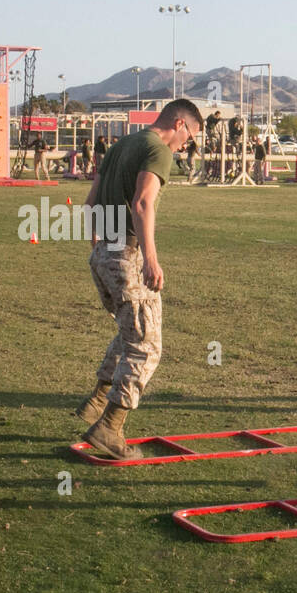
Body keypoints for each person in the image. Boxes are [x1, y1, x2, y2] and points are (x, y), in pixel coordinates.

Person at [74, 98, 204, 459]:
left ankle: (97, 400)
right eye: (190, 136)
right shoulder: (157, 150)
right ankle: (109, 427)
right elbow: (143, 203)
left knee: (129, 332)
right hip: (127, 254)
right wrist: (150, 259)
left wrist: (98, 246)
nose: (187, 145)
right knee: (146, 345)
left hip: (104, 252)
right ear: (179, 124)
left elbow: (90, 203)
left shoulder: (121, 145)